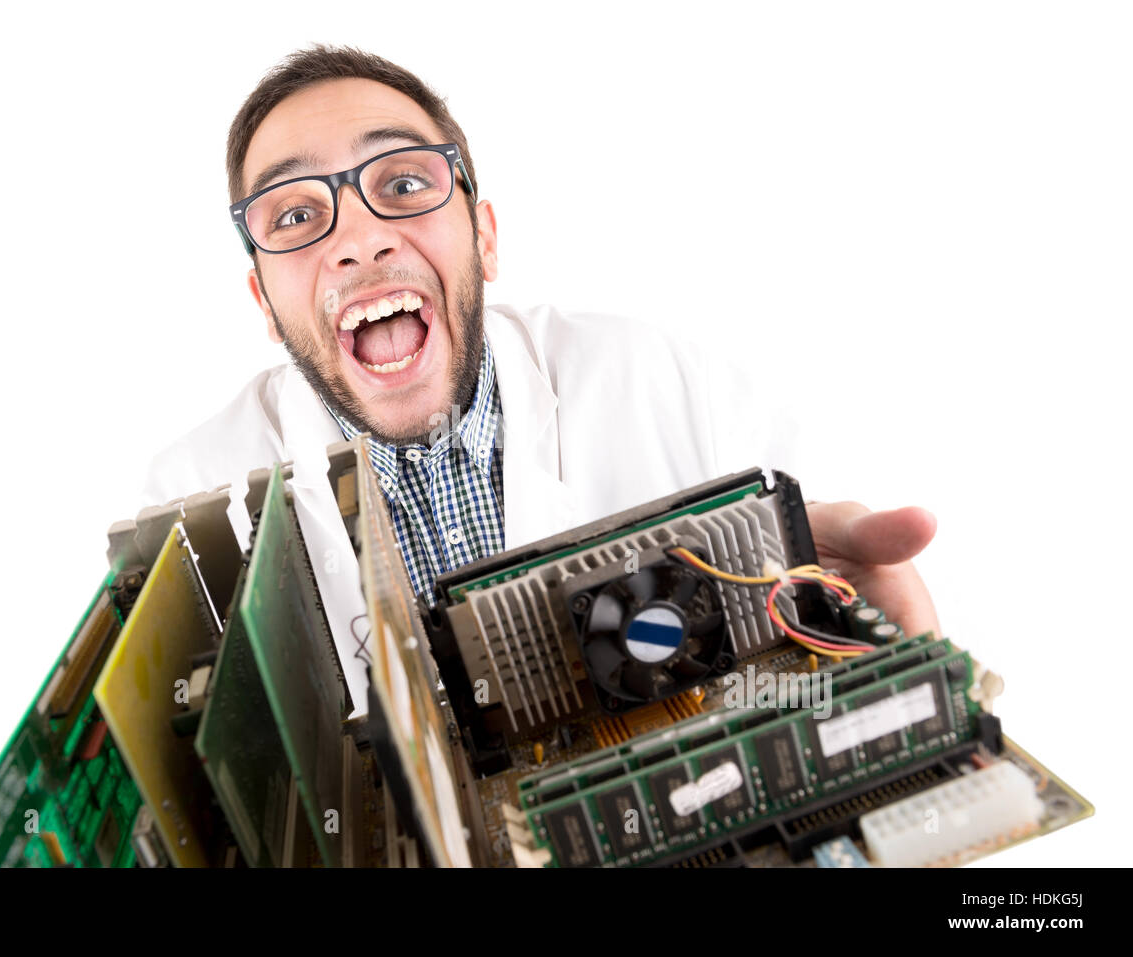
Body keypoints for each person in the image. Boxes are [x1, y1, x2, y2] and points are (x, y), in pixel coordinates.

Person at [142, 45, 939, 712]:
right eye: (295, 215)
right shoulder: (189, 509)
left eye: (404, 184)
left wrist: (832, 613)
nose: (359, 237)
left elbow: (808, 617)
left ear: (484, 239)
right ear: (266, 306)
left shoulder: (661, 382)